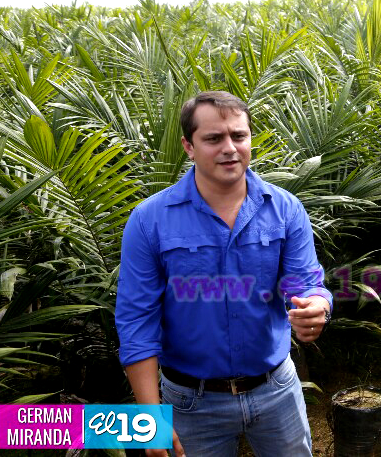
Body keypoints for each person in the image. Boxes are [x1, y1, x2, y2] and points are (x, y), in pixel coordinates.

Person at [115, 91, 332, 457]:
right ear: (189, 145)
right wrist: (151, 421)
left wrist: (316, 307)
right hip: (191, 402)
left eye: (239, 136)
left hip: (276, 390)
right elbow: (137, 320)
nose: (229, 148)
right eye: (214, 138)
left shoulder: (284, 209)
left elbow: (304, 282)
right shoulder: (150, 220)